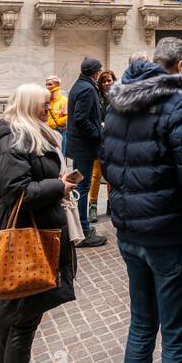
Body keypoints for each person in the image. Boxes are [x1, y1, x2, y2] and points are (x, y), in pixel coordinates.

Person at [101, 38, 182, 363]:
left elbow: (110, 163)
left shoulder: (118, 103)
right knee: (177, 339)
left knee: (141, 327)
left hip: (129, 232)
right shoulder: (177, 104)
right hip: (167, 236)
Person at [0, 84, 78, 363]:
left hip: (32, 232)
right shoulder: (13, 142)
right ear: (29, 106)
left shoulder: (28, 134)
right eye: (43, 103)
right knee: (24, 316)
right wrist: (58, 186)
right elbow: (17, 192)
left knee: (14, 312)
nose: (48, 106)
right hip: (23, 238)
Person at [65, 56, 107, 247]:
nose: (100, 72)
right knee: (82, 186)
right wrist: (98, 133)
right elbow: (82, 119)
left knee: (78, 185)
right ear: (94, 72)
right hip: (85, 147)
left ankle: (79, 225)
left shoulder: (80, 85)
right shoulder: (87, 89)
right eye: (99, 70)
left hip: (80, 146)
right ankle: (82, 229)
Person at [87, 69, 115, 224]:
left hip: (113, 140)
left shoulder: (119, 96)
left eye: (109, 80)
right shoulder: (96, 97)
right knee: (96, 174)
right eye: (104, 81)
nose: (106, 84)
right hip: (100, 140)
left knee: (111, 174)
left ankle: (111, 204)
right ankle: (93, 206)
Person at [44, 75, 68, 140]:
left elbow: (66, 118)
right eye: (46, 85)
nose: (47, 87)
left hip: (59, 133)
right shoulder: (45, 100)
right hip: (46, 132)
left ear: (57, 84)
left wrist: (53, 123)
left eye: (50, 84)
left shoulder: (64, 100)